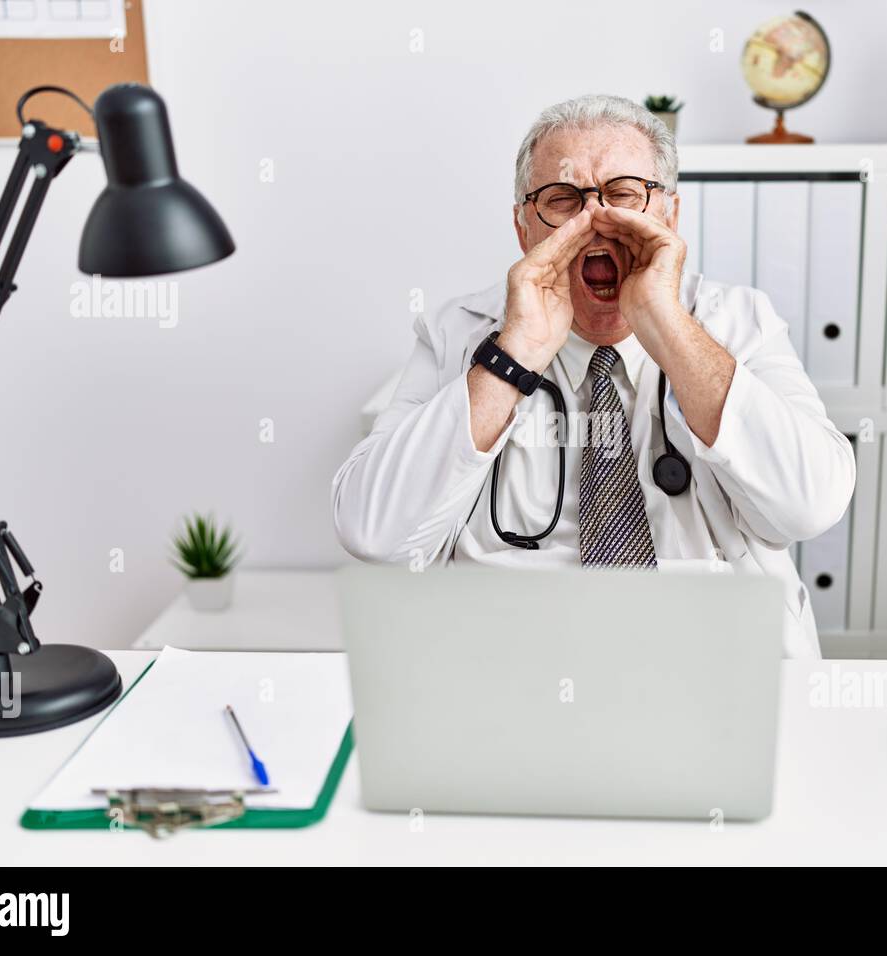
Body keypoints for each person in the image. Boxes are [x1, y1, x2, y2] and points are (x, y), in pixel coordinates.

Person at [332, 94, 854, 658]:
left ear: (670, 216)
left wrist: (670, 328)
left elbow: (811, 505)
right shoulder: (458, 332)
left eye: (625, 194)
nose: (595, 221)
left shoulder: (739, 320)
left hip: (710, 662)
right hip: (510, 667)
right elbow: (374, 533)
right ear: (523, 227)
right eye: (562, 199)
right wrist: (516, 351)